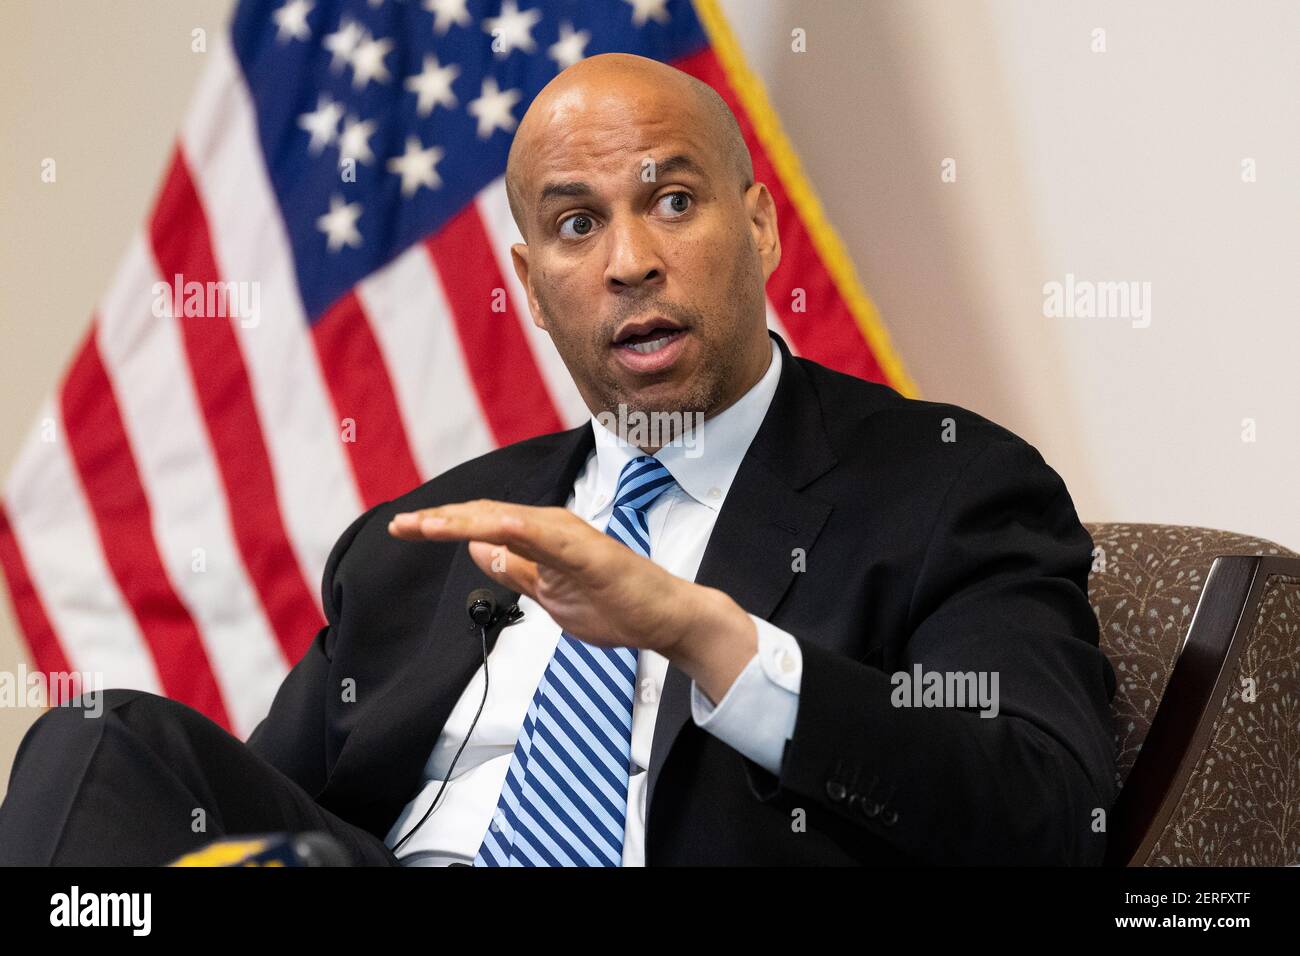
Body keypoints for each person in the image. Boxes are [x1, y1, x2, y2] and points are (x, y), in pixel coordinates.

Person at [0, 53, 1116, 866]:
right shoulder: (423, 543)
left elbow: (1051, 815)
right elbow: (252, 816)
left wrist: (701, 631)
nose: (630, 260)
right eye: (577, 225)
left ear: (761, 226)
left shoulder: (947, 488)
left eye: (672, 201)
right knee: (108, 743)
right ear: (531, 290)